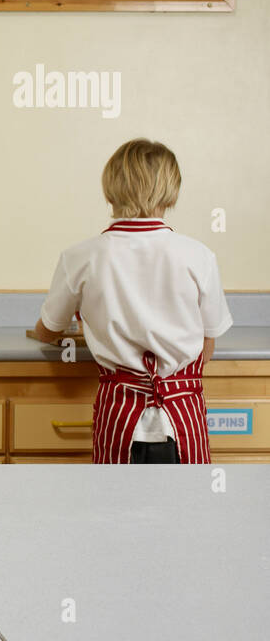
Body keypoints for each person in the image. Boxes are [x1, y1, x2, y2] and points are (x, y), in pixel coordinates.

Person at [32, 139, 232, 464]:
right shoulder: (199, 256)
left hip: (120, 413)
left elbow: (47, 331)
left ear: (109, 192)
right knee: (189, 510)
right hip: (182, 413)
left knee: (117, 510)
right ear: (172, 193)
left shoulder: (80, 256)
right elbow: (207, 347)